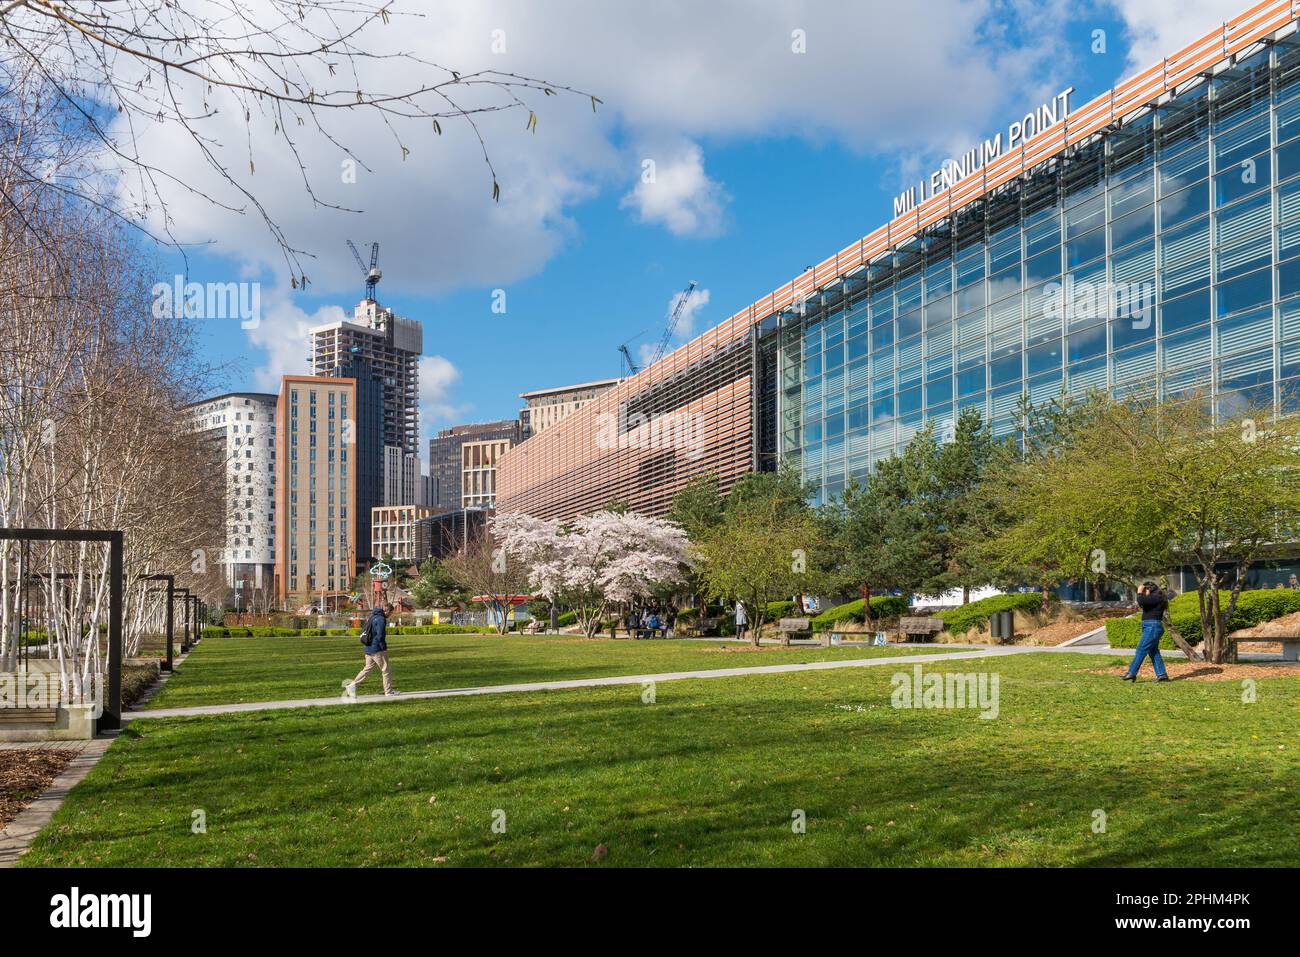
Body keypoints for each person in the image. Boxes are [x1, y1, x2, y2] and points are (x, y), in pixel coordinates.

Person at [347, 602, 399, 696]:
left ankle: (352, 685)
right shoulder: (381, 619)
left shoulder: (373, 616)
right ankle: (388, 691)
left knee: (367, 669)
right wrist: (383, 648)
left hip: (368, 647)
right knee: (386, 670)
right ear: (387, 611)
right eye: (390, 613)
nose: (390, 615)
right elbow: (380, 635)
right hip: (377, 649)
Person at [1123, 582, 1170, 683]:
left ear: (1150, 589)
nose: (1143, 593)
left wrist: (1139, 591)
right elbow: (1143, 602)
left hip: (1152, 627)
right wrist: (1141, 592)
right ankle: (1162, 675)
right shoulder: (1153, 598)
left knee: (1141, 649)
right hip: (1150, 626)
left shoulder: (1157, 597)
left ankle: (1132, 673)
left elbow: (1141, 600)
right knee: (1153, 651)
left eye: (1145, 590)